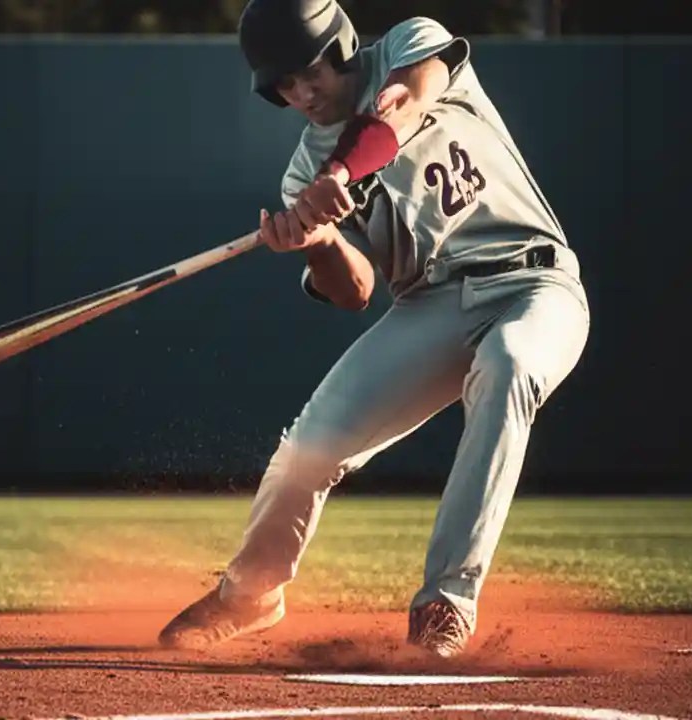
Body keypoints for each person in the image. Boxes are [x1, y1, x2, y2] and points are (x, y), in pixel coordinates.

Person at [158, 0, 591, 658]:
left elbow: (402, 109)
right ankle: (250, 594)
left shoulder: (409, 45)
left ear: (342, 46)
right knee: (312, 445)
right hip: (430, 304)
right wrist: (316, 239)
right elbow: (355, 290)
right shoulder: (301, 173)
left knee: (507, 365)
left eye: (310, 72)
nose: (301, 92)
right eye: (284, 83)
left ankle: (446, 601)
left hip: (536, 281)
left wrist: (340, 174)